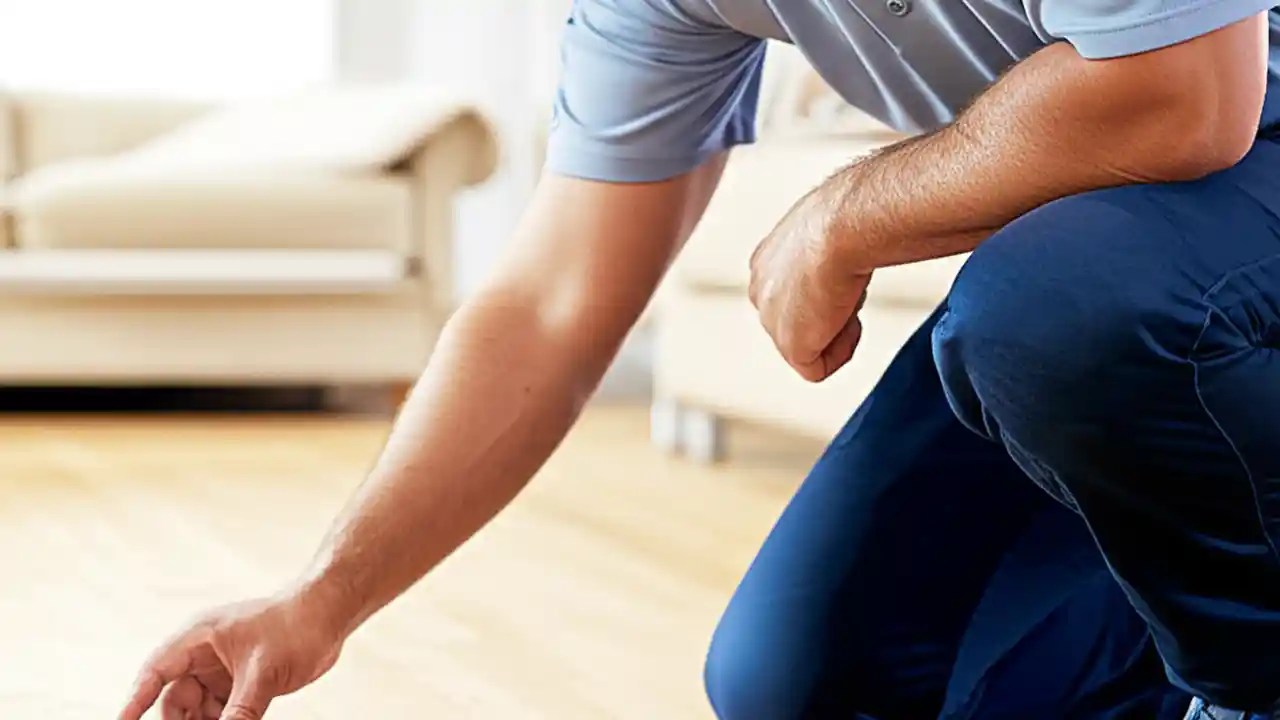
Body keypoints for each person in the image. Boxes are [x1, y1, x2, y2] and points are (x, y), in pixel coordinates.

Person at [119, 2, 1280, 719]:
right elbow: (550, 300)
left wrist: (844, 215)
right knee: (802, 683)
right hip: (1162, 250)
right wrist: (320, 601)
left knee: (1051, 303)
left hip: (1194, 208)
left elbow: (1183, 97)